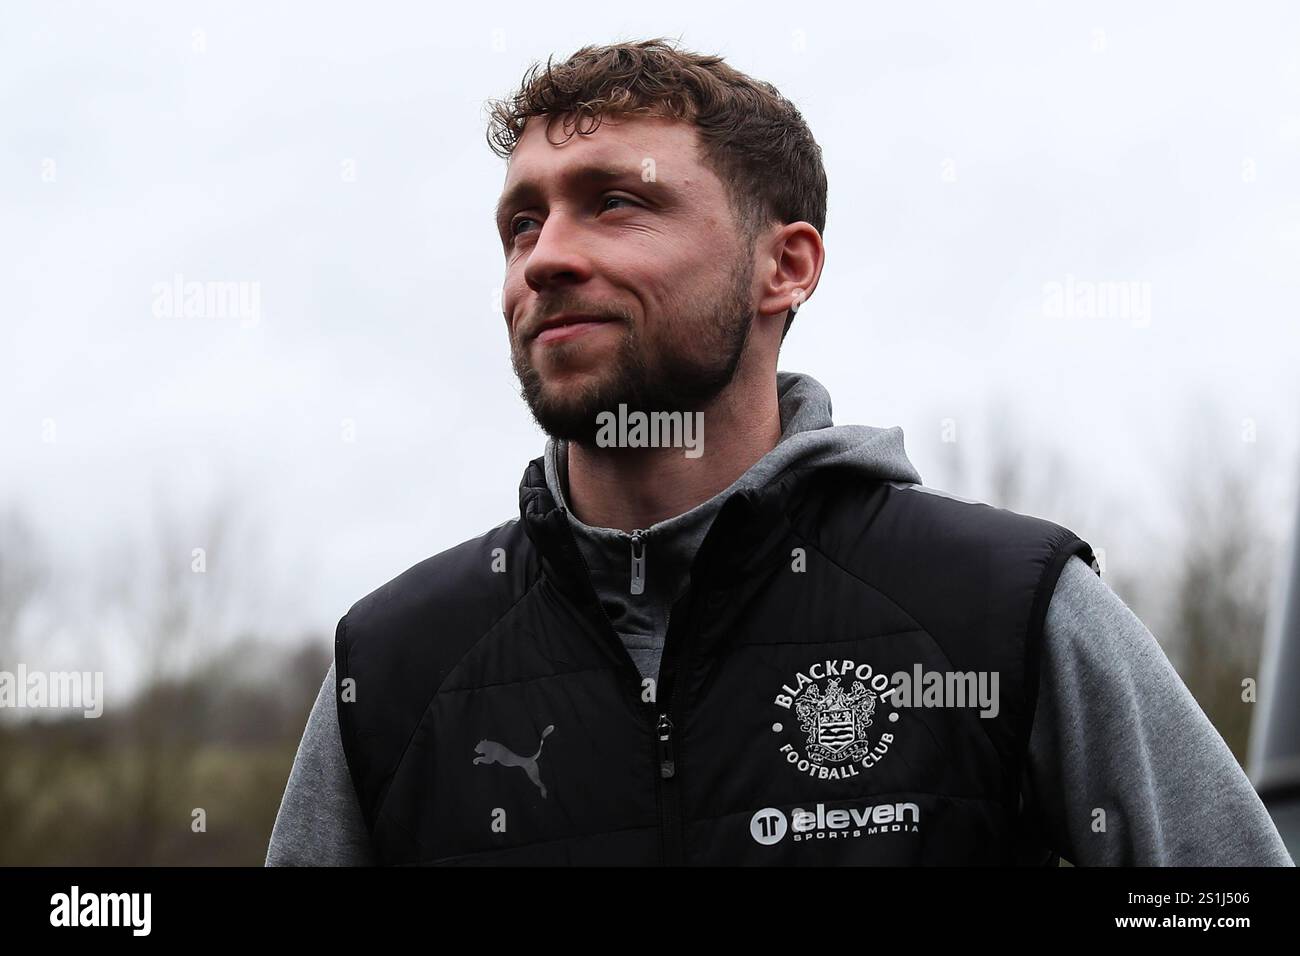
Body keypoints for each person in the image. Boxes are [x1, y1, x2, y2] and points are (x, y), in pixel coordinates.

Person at [266, 38, 1292, 866]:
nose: (546, 259)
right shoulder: (394, 666)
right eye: (521, 222)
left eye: (614, 201)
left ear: (783, 266)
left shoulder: (1005, 610)